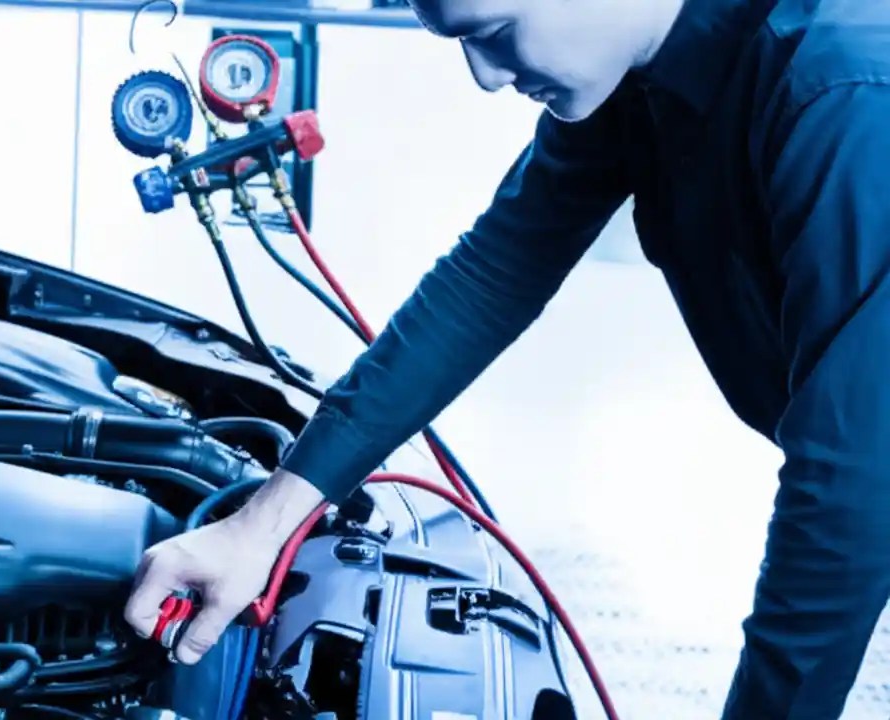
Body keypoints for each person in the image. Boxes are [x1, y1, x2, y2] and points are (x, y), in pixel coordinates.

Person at [124, 0, 890, 716]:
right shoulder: (640, 78)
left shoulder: (843, 91)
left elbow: (851, 484)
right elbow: (492, 276)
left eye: (491, 31)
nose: (486, 76)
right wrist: (260, 527)